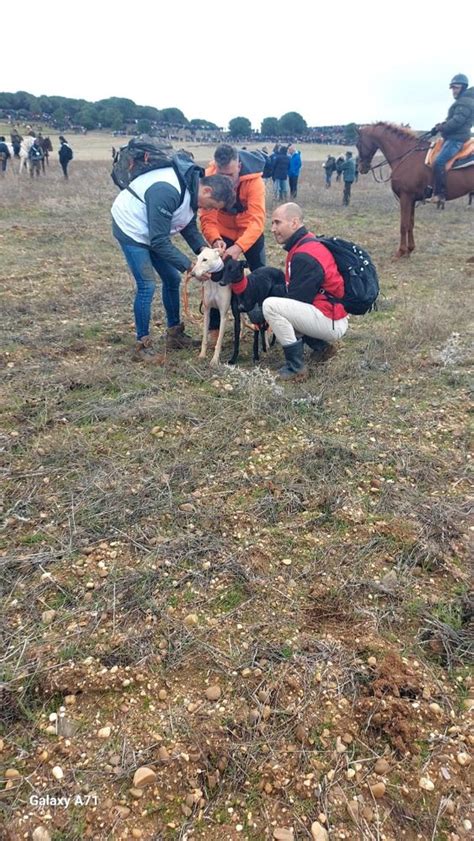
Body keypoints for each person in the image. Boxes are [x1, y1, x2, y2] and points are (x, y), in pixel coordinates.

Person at [111, 157, 235, 362]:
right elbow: (159, 240)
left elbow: (186, 225)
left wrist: (203, 248)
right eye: (212, 206)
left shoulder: (192, 191)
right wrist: (189, 265)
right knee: (147, 285)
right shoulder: (168, 191)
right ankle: (142, 344)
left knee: (171, 279)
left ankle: (174, 334)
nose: (211, 211)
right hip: (131, 227)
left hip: (153, 231)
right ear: (207, 191)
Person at [262, 203, 349, 380]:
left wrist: (265, 304)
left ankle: (296, 368)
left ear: (294, 223)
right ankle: (322, 349)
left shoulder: (305, 254)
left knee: (270, 307)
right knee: (280, 305)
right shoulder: (307, 242)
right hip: (332, 314)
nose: (272, 229)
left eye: (277, 223)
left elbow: (297, 300)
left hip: (330, 320)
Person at [200, 142, 267, 336]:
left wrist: (238, 248)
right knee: (215, 274)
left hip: (249, 233)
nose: (225, 181)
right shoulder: (208, 177)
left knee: (260, 274)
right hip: (223, 232)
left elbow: (257, 221)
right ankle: (213, 329)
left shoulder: (255, 182)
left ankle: (263, 322)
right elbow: (207, 217)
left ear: (238, 166)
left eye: (230, 176)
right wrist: (214, 240)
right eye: (221, 176)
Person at [428, 73, 474, 203]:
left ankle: (440, 194)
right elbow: (453, 120)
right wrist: (440, 125)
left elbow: (457, 122)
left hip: (456, 140)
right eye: (452, 88)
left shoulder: (465, 102)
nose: (453, 90)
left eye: (456, 87)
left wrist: (442, 128)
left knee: (439, 162)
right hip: (452, 138)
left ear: (463, 88)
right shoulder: (463, 101)